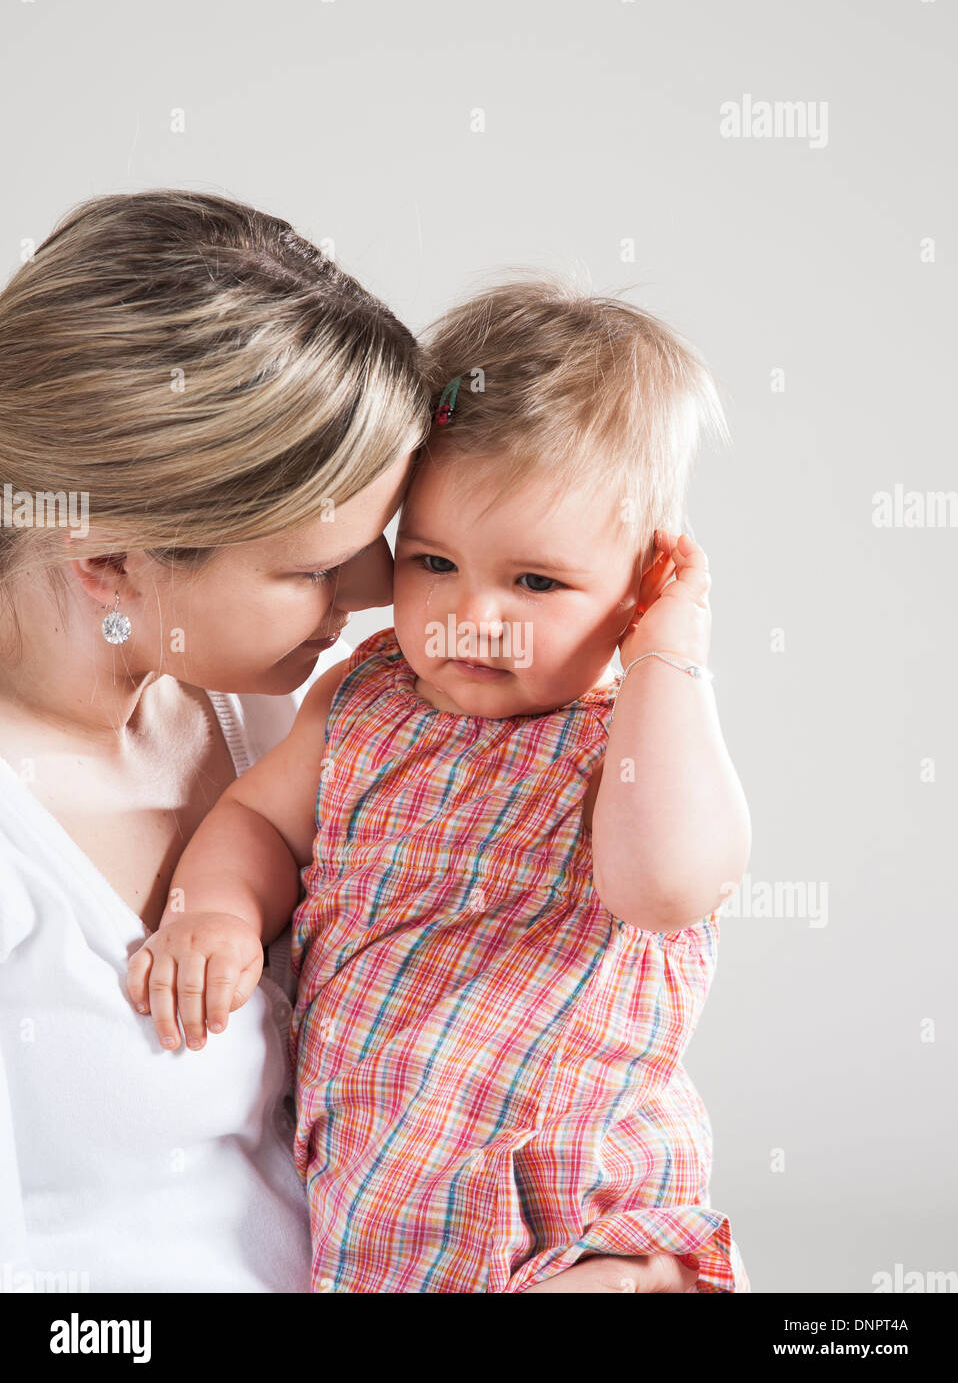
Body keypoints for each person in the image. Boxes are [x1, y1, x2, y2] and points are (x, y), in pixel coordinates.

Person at [0, 190, 690, 1294]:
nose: (378, 598)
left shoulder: (263, 708)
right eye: (314, 569)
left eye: (381, 547)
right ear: (110, 562)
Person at [126, 276, 751, 1293]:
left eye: (534, 581)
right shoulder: (363, 700)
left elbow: (667, 887)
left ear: (643, 587)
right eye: (432, 562)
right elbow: (258, 823)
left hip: (577, 1208)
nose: (474, 613)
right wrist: (218, 914)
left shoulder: (627, 742)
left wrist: (667, 663)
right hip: (384, 1199)